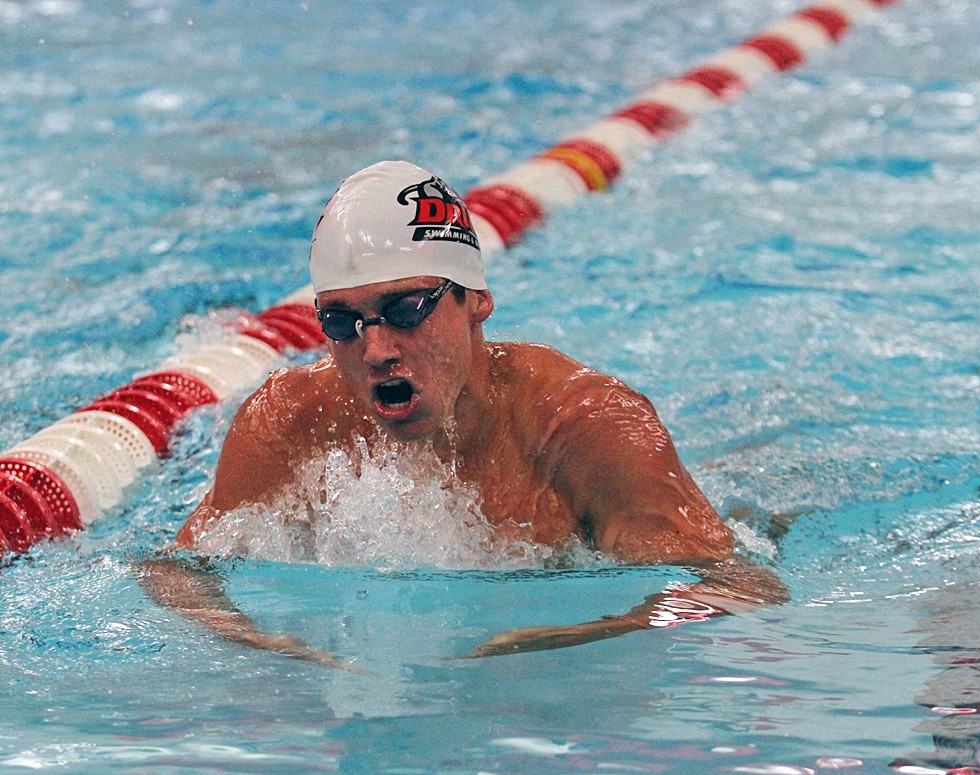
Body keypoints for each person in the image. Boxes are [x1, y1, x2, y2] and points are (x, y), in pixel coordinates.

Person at [143, 160, 786, 665]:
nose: (376, 350)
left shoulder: (586, 427)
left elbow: (739, 586)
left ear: (476, 299)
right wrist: (271, 647)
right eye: (342, 321)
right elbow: (177, 573)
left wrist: (579, 637)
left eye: (406, 310)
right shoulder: (290, 422)